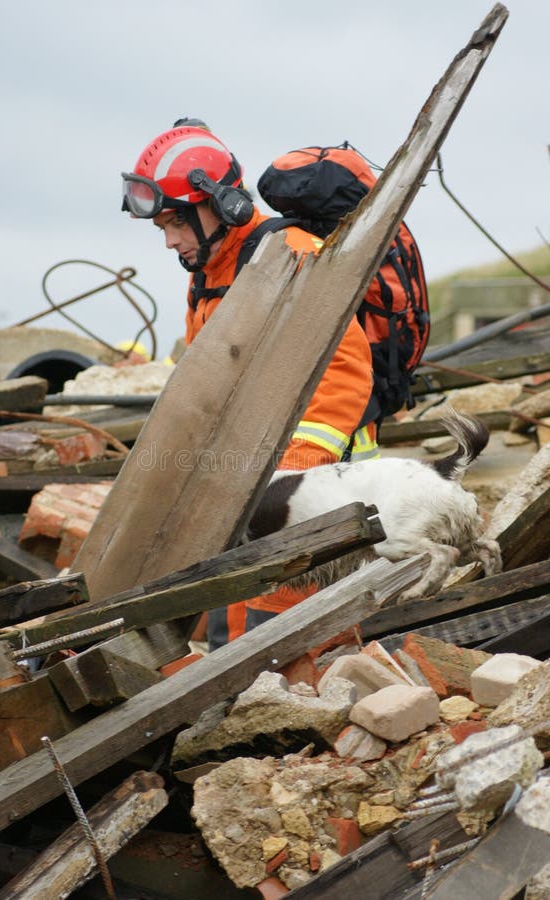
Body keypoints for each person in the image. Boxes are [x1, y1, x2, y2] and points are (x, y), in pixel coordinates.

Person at [122, 121, 379, 648]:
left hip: (311, 489)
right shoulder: (207, 274)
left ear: (223, 204)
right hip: (242, 484)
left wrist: (294, 471)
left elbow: (345, 370)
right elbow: (205, 378)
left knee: (288, 639)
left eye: (176, 223)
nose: (169, 240)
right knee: (232, 631)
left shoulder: (293, 256)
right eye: (162, 228)